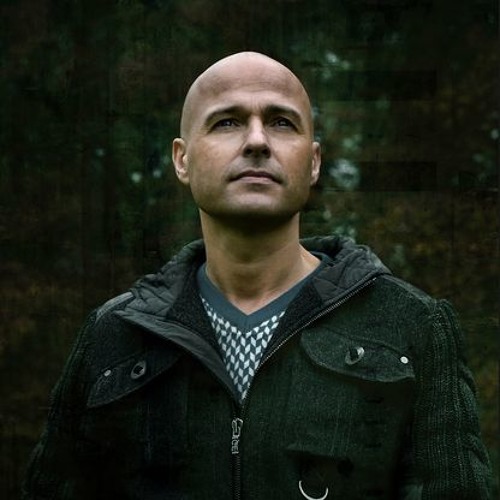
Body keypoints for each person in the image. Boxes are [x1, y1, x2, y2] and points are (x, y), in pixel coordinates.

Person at [23, 51, 491, 499]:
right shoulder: (114, 336)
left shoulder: (411, 327)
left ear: (313, 162)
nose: (257, 141)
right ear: (182, 159)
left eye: (281, 122)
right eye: (227, 122)